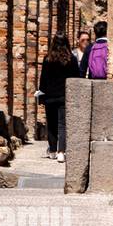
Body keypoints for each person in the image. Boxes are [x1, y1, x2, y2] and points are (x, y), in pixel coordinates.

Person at [38, 34, 81, 162]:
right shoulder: (71, 60)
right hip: (64, 96)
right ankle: (61, 152)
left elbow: (43, 79)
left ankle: (52, 150)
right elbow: (76, 79)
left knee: (51, 124)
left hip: (50, 96)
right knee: (62, 124)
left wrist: (41, 96)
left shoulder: (47, 59)